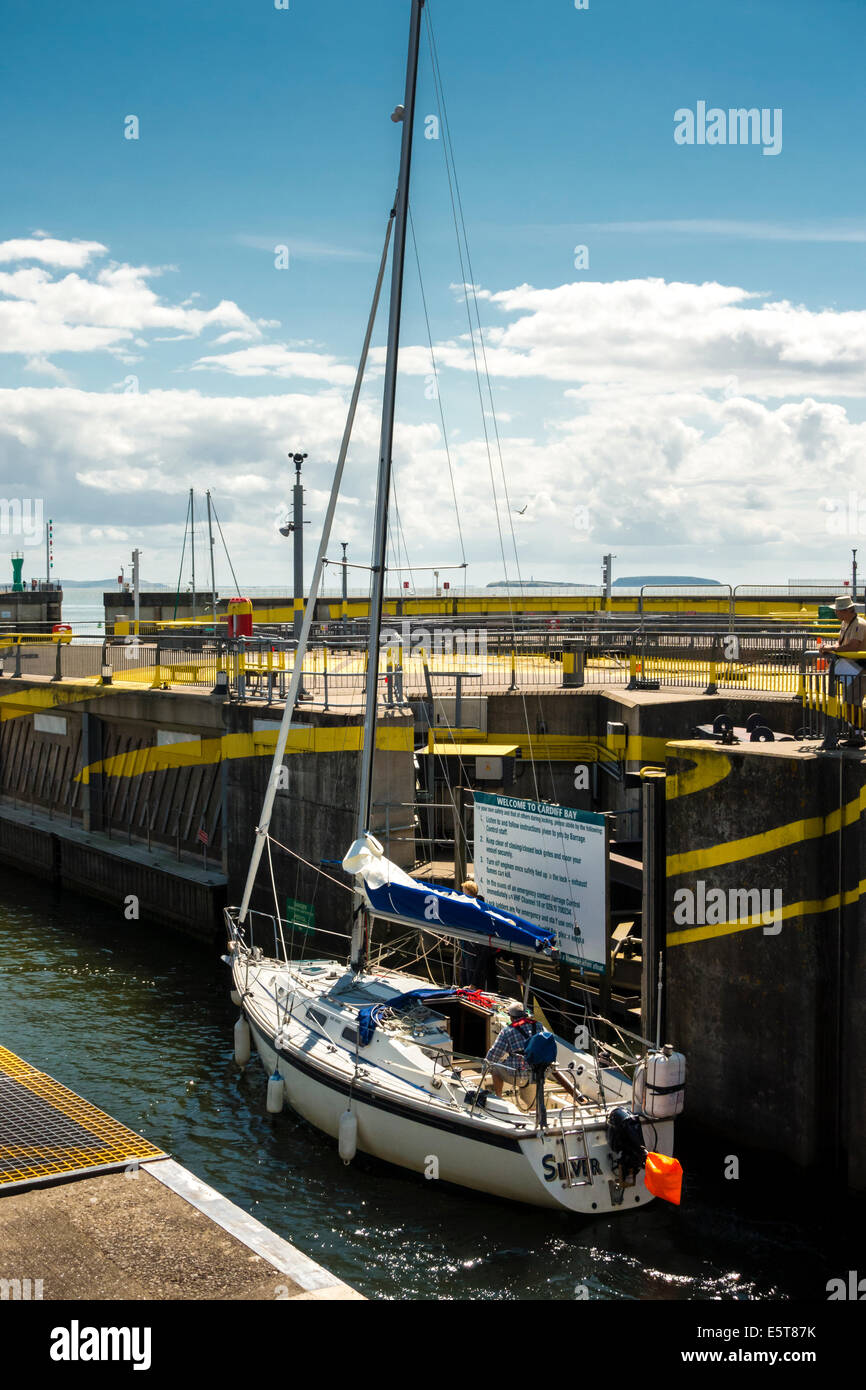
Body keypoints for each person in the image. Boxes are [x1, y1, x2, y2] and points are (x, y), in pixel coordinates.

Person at [485, 1001, 536, 1097]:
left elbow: (494, 1054)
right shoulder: (538, 1025)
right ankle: (531, 1106)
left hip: (519, 1076)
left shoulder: (507, 1031)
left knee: (494, 1067)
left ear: (511, 1017)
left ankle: (499, 1098)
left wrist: (484, 1068)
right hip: (538, 1073)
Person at [824, 595, 866, 710]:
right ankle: (854, 726)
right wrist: (831, 647)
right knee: (849, 701)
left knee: (854, 702)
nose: (835, 613)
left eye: (837, 610)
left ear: (846, 611)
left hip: (859, 668)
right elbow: (840, 643)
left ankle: (858, 728)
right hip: (850, 668)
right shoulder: (845, 623)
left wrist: (831, 648)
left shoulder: (859, 624)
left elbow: (853, 646)